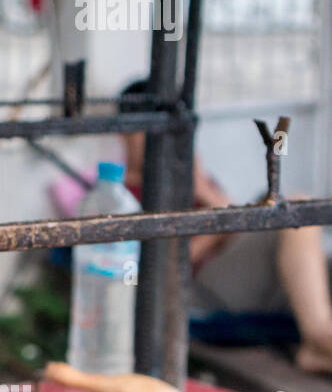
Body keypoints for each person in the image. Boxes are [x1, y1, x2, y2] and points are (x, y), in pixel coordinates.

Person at [117, 80, 332, 374]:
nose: (162, 140)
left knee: (297, 222)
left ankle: (318, 349)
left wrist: (202, 188)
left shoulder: (189, 175)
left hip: (238, 271)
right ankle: (320, 334)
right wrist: (214, 233)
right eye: (148, 131)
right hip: (199, 288)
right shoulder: (120, 193)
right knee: (298, 207)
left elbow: (237, 225)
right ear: (125, 134)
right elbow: (152, 272)